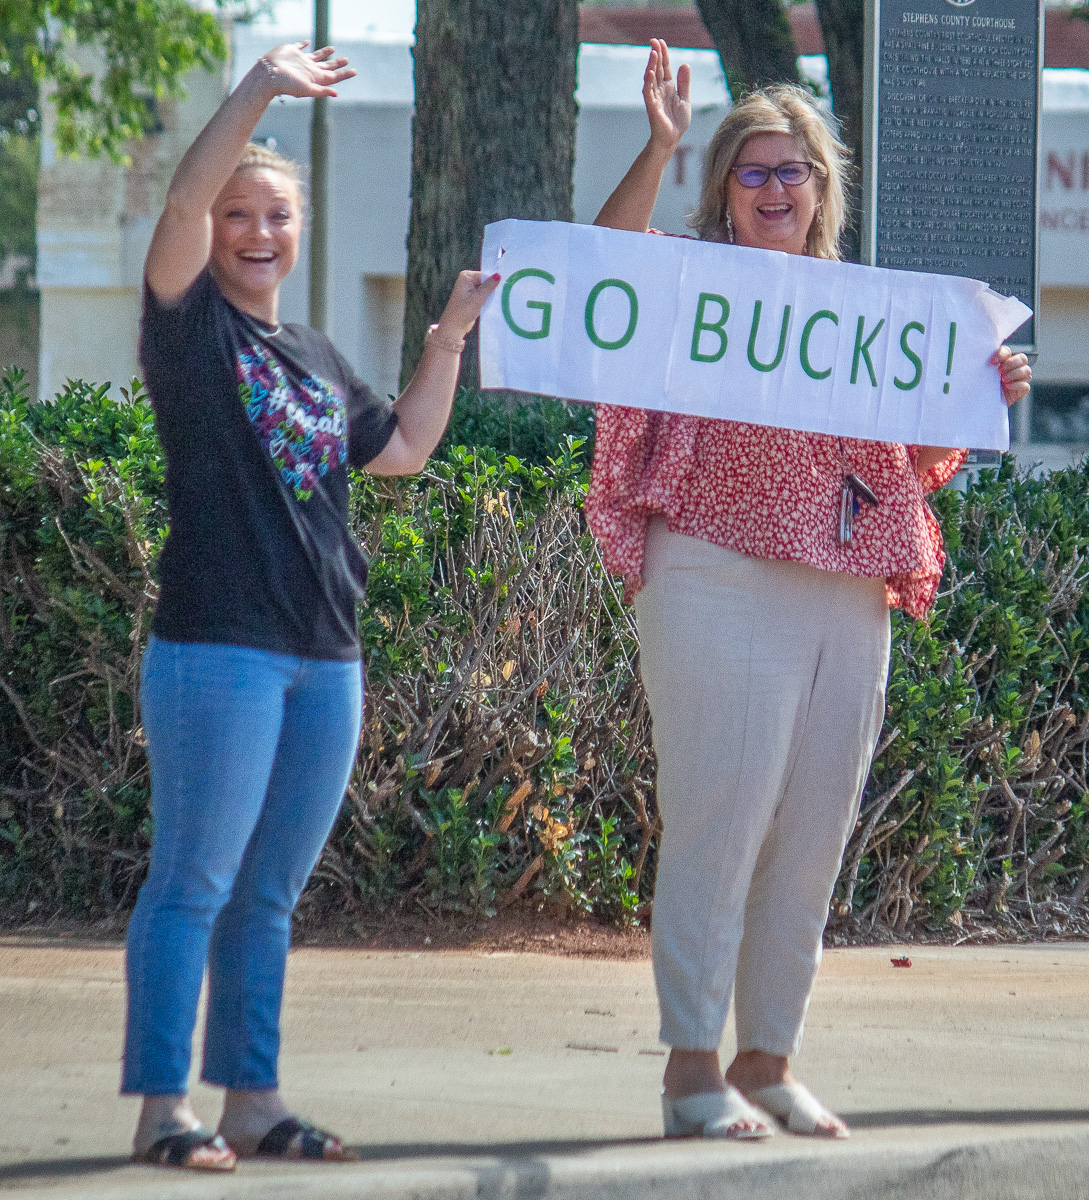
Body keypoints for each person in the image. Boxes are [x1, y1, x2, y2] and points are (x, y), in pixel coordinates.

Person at [584, 40, 1031, 1141]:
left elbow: (911, 457)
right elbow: (599, 271)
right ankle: (692, 1070)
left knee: (815, 829)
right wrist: (661, 144)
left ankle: (766, 1060)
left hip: (847, 581)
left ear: (824, 191)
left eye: (795, 172)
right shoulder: (686, 290)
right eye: (754, 172)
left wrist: (983, 393)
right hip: (713, 566)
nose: (776, 190)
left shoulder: (871, 317)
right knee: (720, 816)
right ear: (725, 193)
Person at [124, 41, 499, 1170]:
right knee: (194, 881)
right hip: (217, 650)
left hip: (324, 657)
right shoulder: (191, 327)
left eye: (274, 215)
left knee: (269, 895)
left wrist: (450, 333)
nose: (254, 231)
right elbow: (187, 193)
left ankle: (252, 1102)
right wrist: (259, 91)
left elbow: (408, 450)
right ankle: (162, 1112)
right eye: (238, 214)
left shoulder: (317, 354)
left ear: (299, 231)